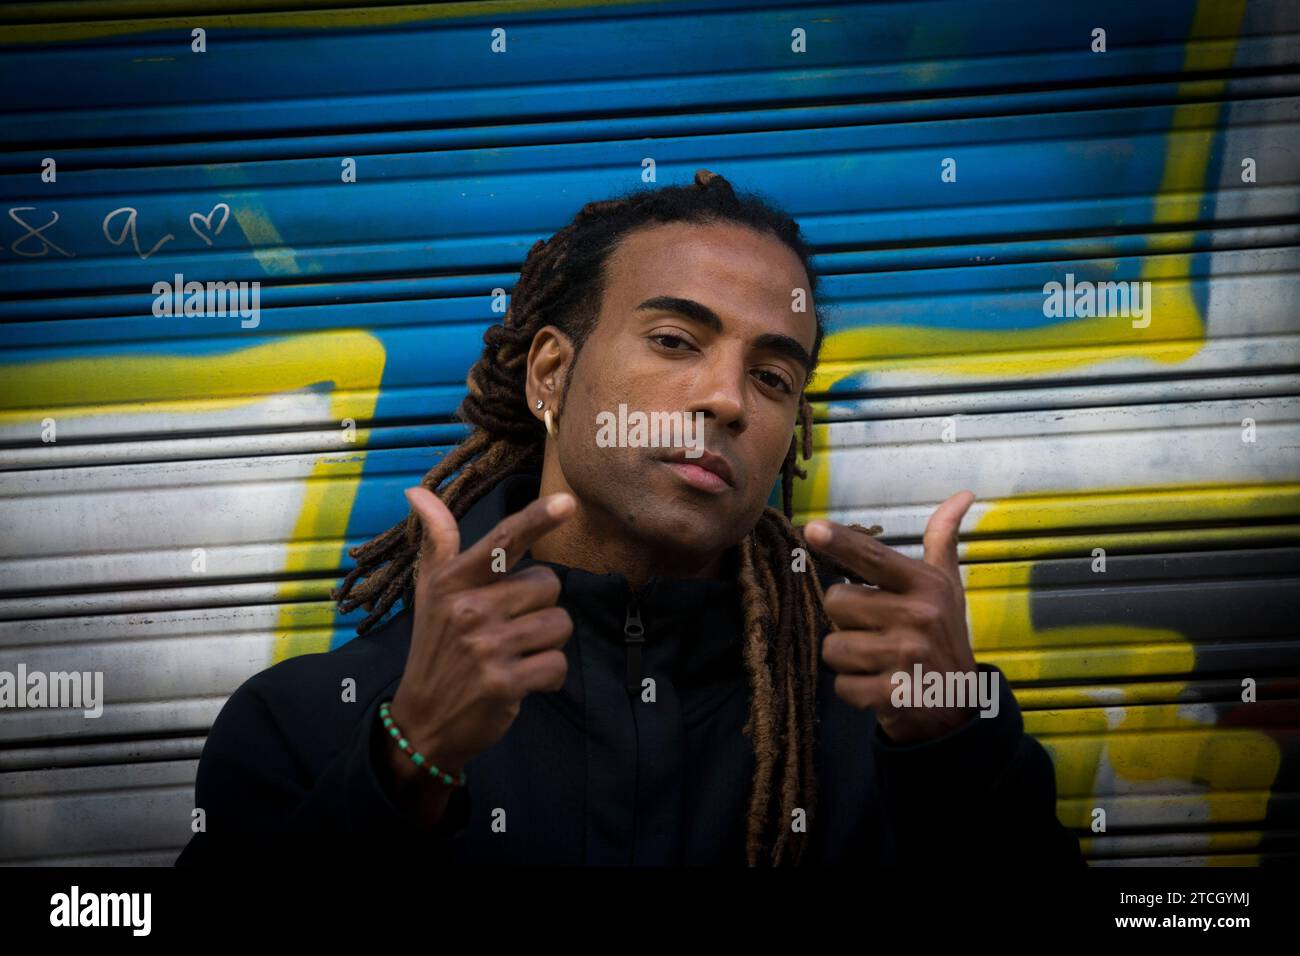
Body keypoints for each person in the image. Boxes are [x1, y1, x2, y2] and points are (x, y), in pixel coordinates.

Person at [176, 170, 1084, 867]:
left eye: (773, 377)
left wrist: (959, 745)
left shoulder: (876, 725)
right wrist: (407, 769)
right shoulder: (319, 723)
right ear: (549, 376)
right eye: (675, 341)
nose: (727, 399)